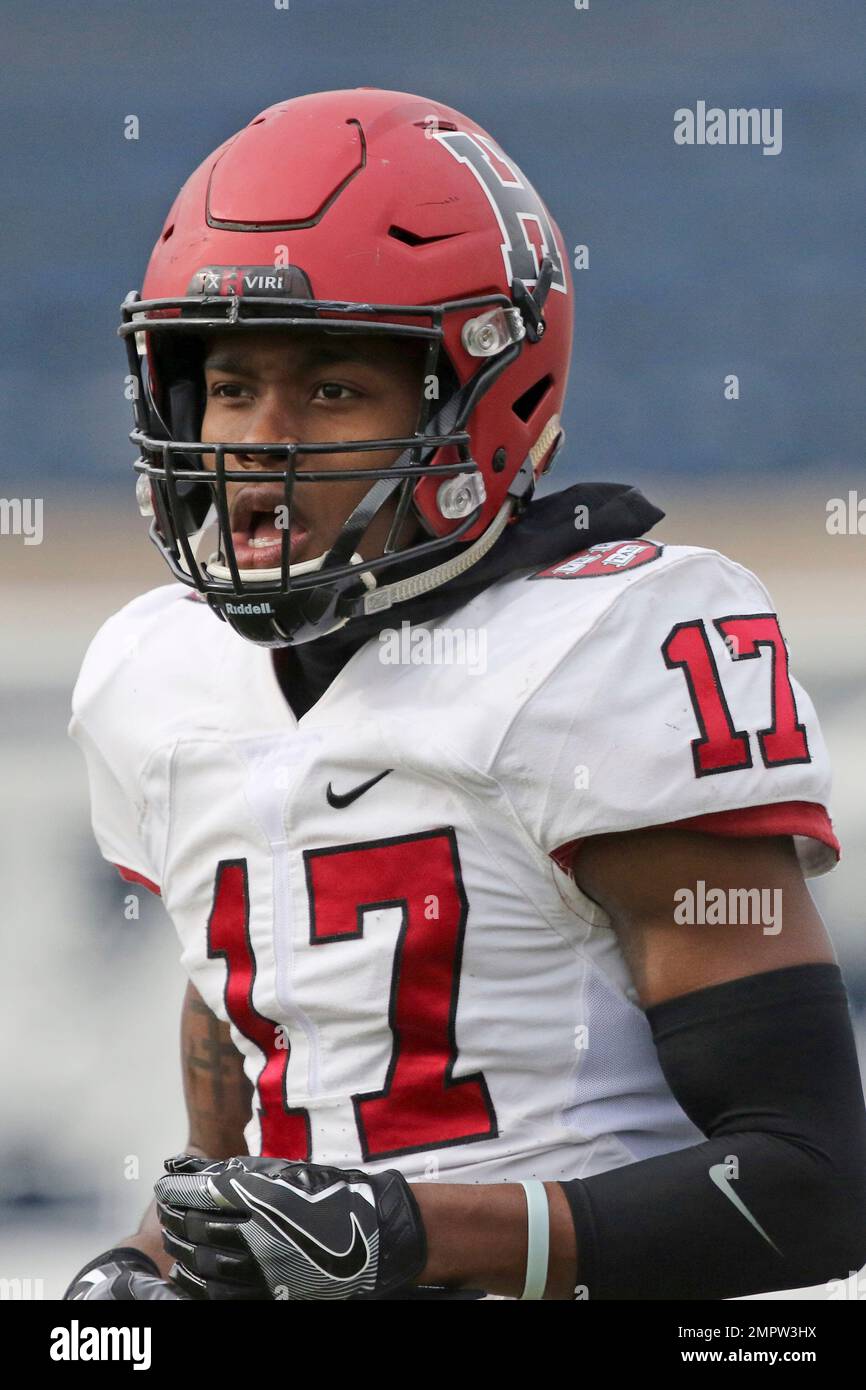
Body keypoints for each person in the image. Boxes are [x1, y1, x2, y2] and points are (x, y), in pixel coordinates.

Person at [64, 87, 866, 1302]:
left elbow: (808, 1186)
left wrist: (413, 1233)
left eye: (331, 392)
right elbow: (256, 1094)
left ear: (480, 397)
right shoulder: (157, 674)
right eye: (229, 388)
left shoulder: (606, 645)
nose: (256, 453)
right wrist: (148, 1265)